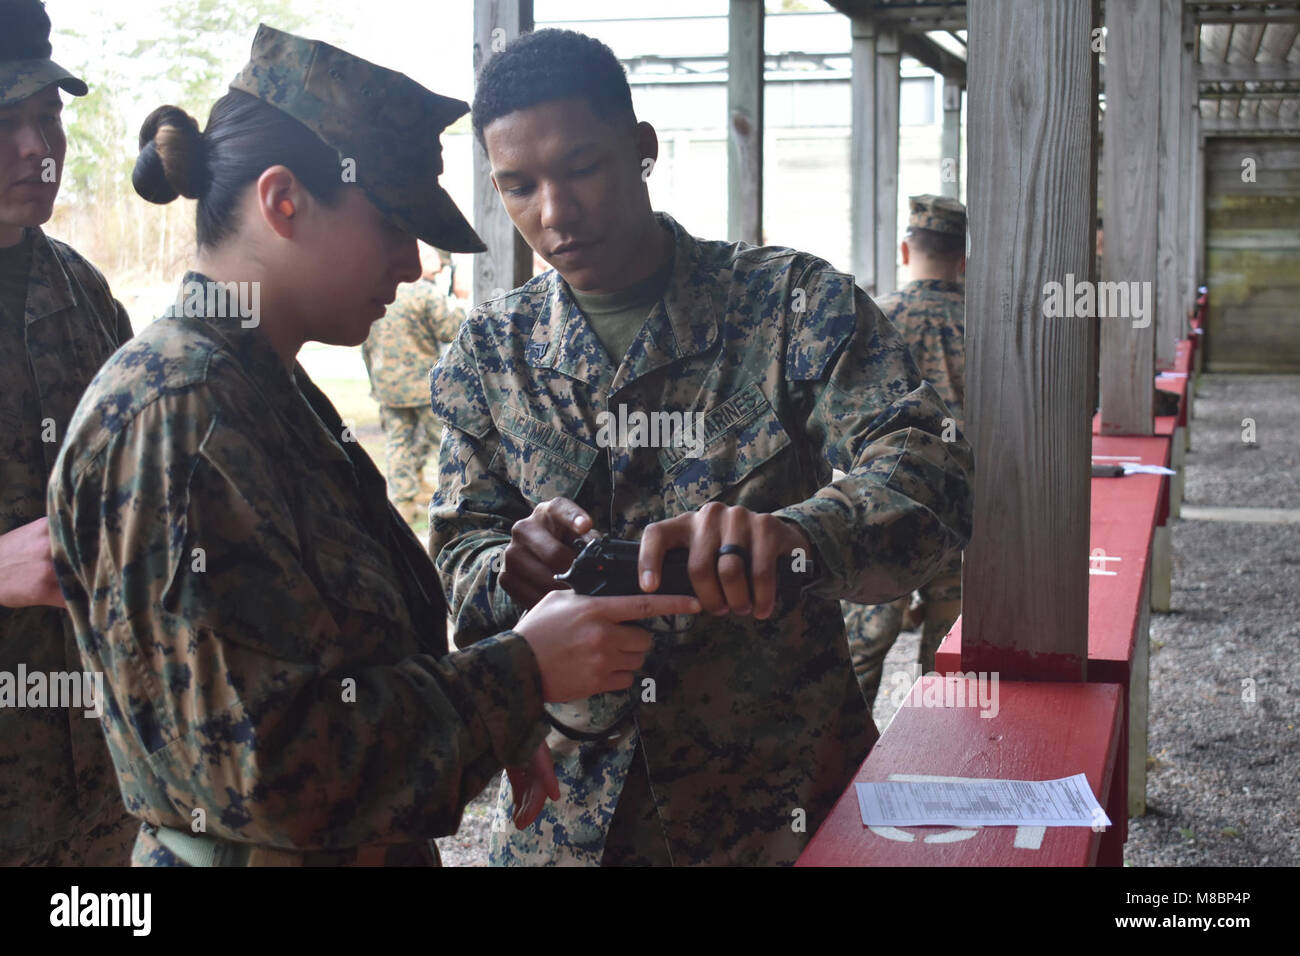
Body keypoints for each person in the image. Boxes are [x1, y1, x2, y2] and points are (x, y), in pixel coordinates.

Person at [45, 24, 699, 867]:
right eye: (393, 224)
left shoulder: (260, 387)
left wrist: (487, 720)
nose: (410, 262)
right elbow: (267, 772)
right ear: (283, 202)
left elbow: (345, 665)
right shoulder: (182, 420)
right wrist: (520, 675)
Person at [428, 29, 974, 866]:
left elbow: (932, 470)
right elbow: (459, 549)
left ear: (640, 149)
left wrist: (797, 537)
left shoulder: (790, 304)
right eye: (518, 186)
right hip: (574, 814)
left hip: (777, 802)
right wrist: (509, 567)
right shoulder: (489, 355)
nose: (554, 212)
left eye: (582, 168)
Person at [0, 0, 137, 866]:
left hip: (90, 796)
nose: (34, 146)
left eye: (47, 114)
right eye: (2, 120)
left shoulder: (82, 290)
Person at [841, 194, 967, 709]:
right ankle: (942, 763)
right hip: (963, 508)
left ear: (904, 249)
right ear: (965, 259)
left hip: (880, 507)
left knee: (861, 648)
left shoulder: (874, 318)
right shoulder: (991, 326)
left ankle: (843, 772)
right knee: (951, 654)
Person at [361, 243, 466, 523]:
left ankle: (405, 499)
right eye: (434, 259)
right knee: (442, 441)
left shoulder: (382, 292)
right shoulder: (425, 294)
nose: (441, 265)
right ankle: (458, 498)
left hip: (389, 387)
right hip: (423, 387)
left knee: (398, 443)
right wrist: (457, 301)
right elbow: (451, 330)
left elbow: (366, 346)